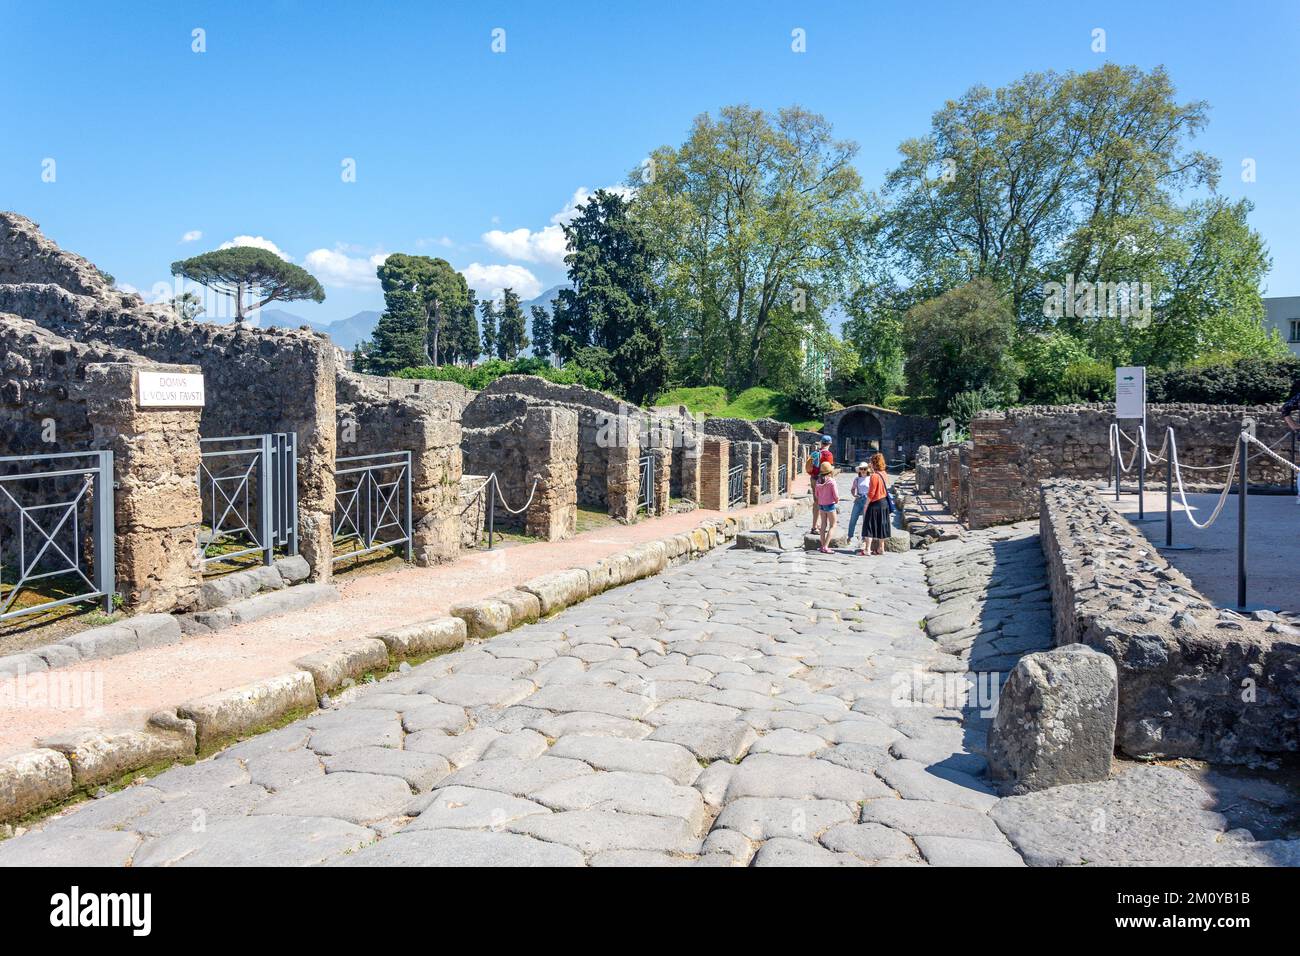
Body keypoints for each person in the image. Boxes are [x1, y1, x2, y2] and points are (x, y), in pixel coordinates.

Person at [861, 452, 892, 556]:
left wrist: (866, 505)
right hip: (884, 503)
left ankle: (867, 549)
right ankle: (881, 548)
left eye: (871, 462)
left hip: (875, 503)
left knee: (868, 526)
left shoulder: (874, 476)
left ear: (874, 463)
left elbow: (871, 492)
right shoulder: (884, 474)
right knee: (881, 526)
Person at [806, 435, 834, 532]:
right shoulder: (828, 455)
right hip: (823, 480)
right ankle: (822, 526)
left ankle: (814, 526)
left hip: (813, 479)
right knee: (825, 502)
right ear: (830, 444)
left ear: (821, 443)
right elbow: (829, 470)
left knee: (816, 502)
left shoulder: (815, 453)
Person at [813, 460, 840, 553]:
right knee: (833, 525)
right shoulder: (831, 481)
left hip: (821, 505)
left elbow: (816, 495)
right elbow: (835, 495)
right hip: (830, 505)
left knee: (823, 525)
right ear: (830, 471)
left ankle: (822, 545)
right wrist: (837, 500)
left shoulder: (818, 481)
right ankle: (826, 546)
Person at [847, 462, 871, 555]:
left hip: (867, 500)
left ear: (867, 469)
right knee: (853, 518)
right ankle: (849, 536)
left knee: (865, 520)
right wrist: (854, 495)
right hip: (859, 499)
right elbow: (853, 489)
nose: (863, 471)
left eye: (865, 469)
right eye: (861, 469)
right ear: (859, 470)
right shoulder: (857, 479)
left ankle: (864, 539)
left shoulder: (870, 478)